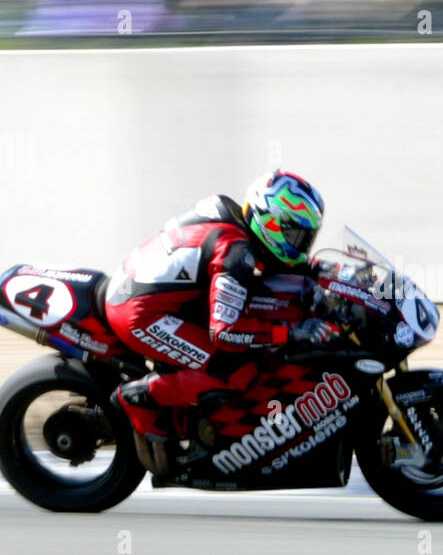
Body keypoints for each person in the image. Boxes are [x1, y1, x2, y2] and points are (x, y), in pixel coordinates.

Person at [104, 169, 340, 446]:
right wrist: (289, 333)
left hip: (149, 292)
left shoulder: (236, 218)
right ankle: (139, 396)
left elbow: (269, 264)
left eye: (306, 237)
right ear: (271, 222)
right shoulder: (236, 254)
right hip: (140, 313)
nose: (302, 244)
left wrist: (320, 270)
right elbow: (225, 333)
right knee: (233, 373)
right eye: (296, 235)